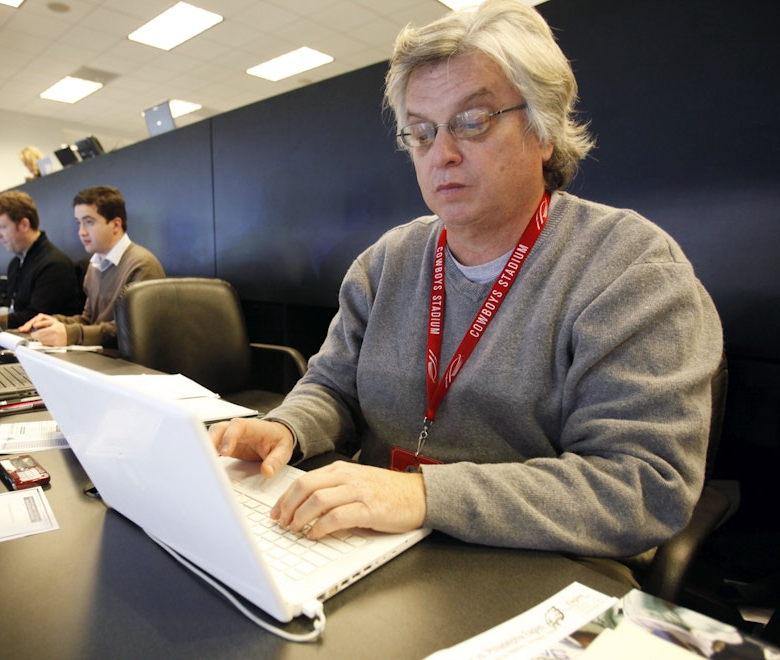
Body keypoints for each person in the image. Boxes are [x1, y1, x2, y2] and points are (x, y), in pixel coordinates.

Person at [210, 0, 723, 573]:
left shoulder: (629, 268)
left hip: (538, 568)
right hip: (374, 549)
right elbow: (332, 386)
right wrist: (287, 426)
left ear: (544, 130)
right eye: (421, 132)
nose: (443, 154)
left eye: (473, 121)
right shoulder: (386, 263)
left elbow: (643, 484)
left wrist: (424, 495)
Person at [19, 186, 165, 347]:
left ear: (116, 225)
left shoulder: (142, 265)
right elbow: (89, 320)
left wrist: (72, 334)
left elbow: (132, 332)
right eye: (79, 223)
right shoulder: (95, 265)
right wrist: (55, 322)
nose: (81, 232)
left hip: (125, 360)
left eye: (89, 222)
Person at [0, 190, 80, 329]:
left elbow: (35, 317)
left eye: (2, 228)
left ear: (24, 225)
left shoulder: (54, 264)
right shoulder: (15, 263)